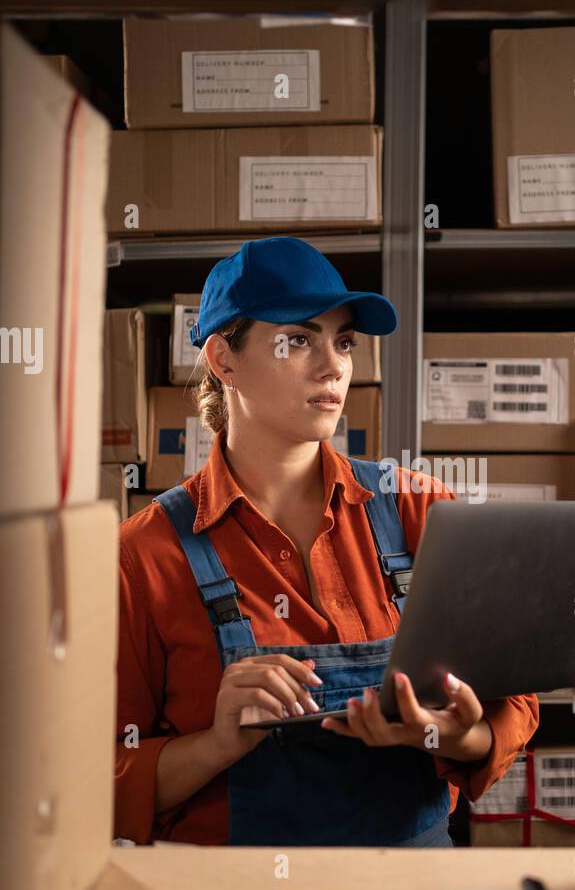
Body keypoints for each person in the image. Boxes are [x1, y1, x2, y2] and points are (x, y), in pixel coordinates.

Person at [114, 237, 539, 847]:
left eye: (343, 342)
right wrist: (217, 743)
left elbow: (512, 704)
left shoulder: (419, 510)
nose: (334, 365)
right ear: (222, 359)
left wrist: (450, 735)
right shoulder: (145, 554)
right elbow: (100, 780)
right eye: (299, 339)